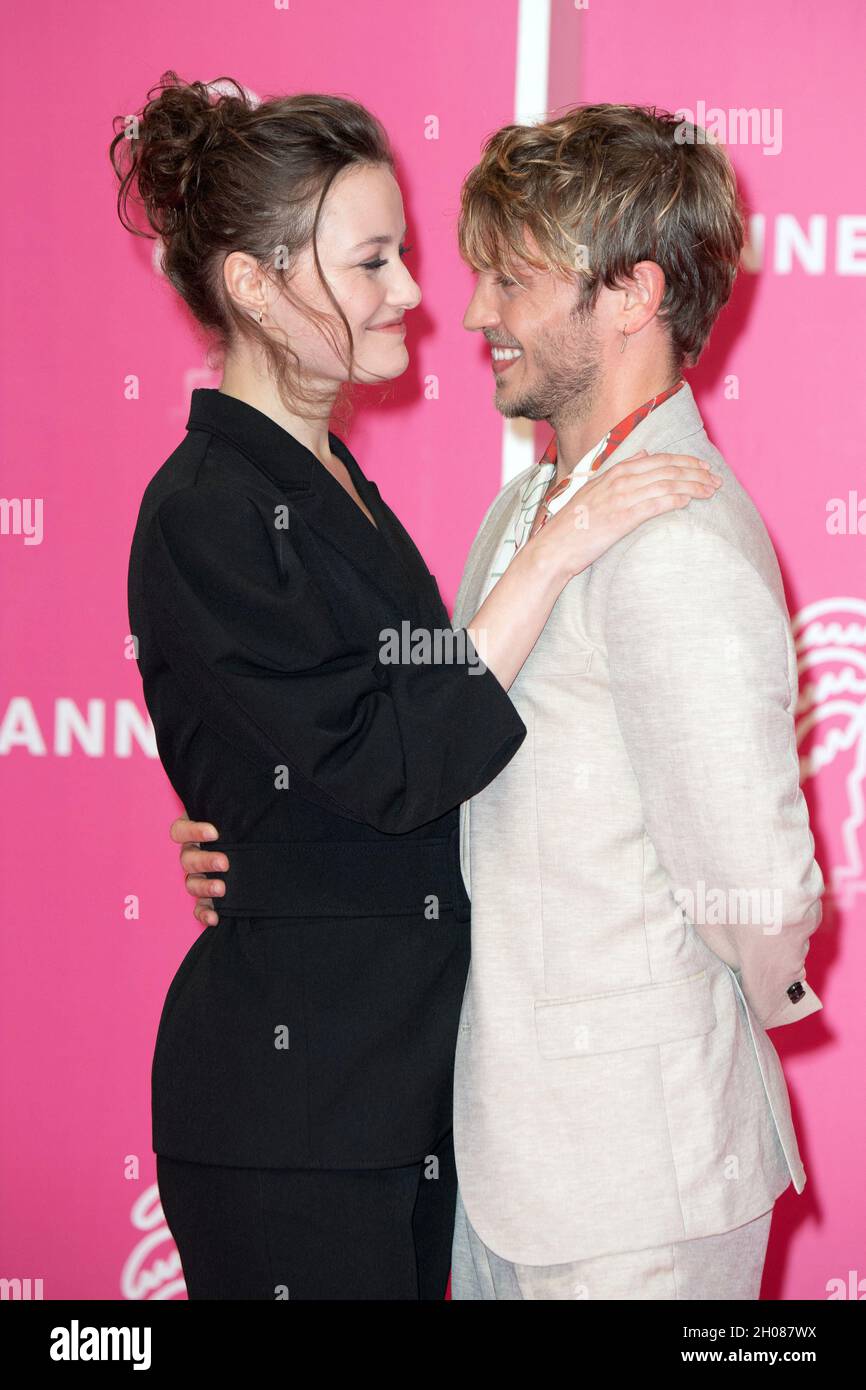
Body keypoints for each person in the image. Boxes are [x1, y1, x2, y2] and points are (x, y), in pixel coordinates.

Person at [178, 101, 825, 1302]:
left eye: (510, 280)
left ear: (630, 293)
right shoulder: (525, 514)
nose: (468, 312)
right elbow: (401, 735)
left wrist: (702, 1017)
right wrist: (267, 835)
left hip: (641, 1177)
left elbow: (756, 885)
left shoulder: (670, 529)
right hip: (500, 1162)